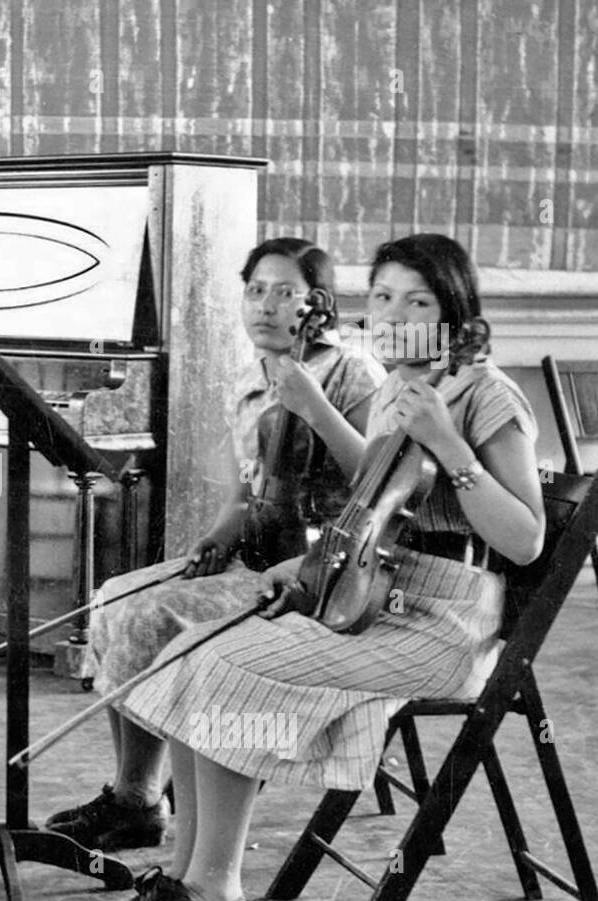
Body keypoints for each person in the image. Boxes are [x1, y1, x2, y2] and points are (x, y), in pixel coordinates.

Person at [99, 233, 543, 901]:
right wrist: (305, 568)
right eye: (386, 297)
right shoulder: (401, 385)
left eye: (418, 300)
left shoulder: (490, 395)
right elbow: (374, 499)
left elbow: (524, 539)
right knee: (186, 653)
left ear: (455, 315)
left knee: (228, 670)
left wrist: (452, 447)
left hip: (448, 623)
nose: (397, 312)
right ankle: (183, 882)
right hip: (380, 590)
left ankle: (217, 895)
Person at [47, 238, 385, 852]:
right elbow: (244, 496)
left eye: (287, 292)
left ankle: (137, 800)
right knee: (116, 597)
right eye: (256, 290)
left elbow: (377, 484)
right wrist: (214, 537)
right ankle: (137, 794)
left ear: (320, 304)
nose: (266, 304)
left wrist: (313, 405)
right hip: (254, 553)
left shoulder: (353, 372)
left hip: (319, 572)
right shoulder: (248, 379)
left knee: (155, 616)